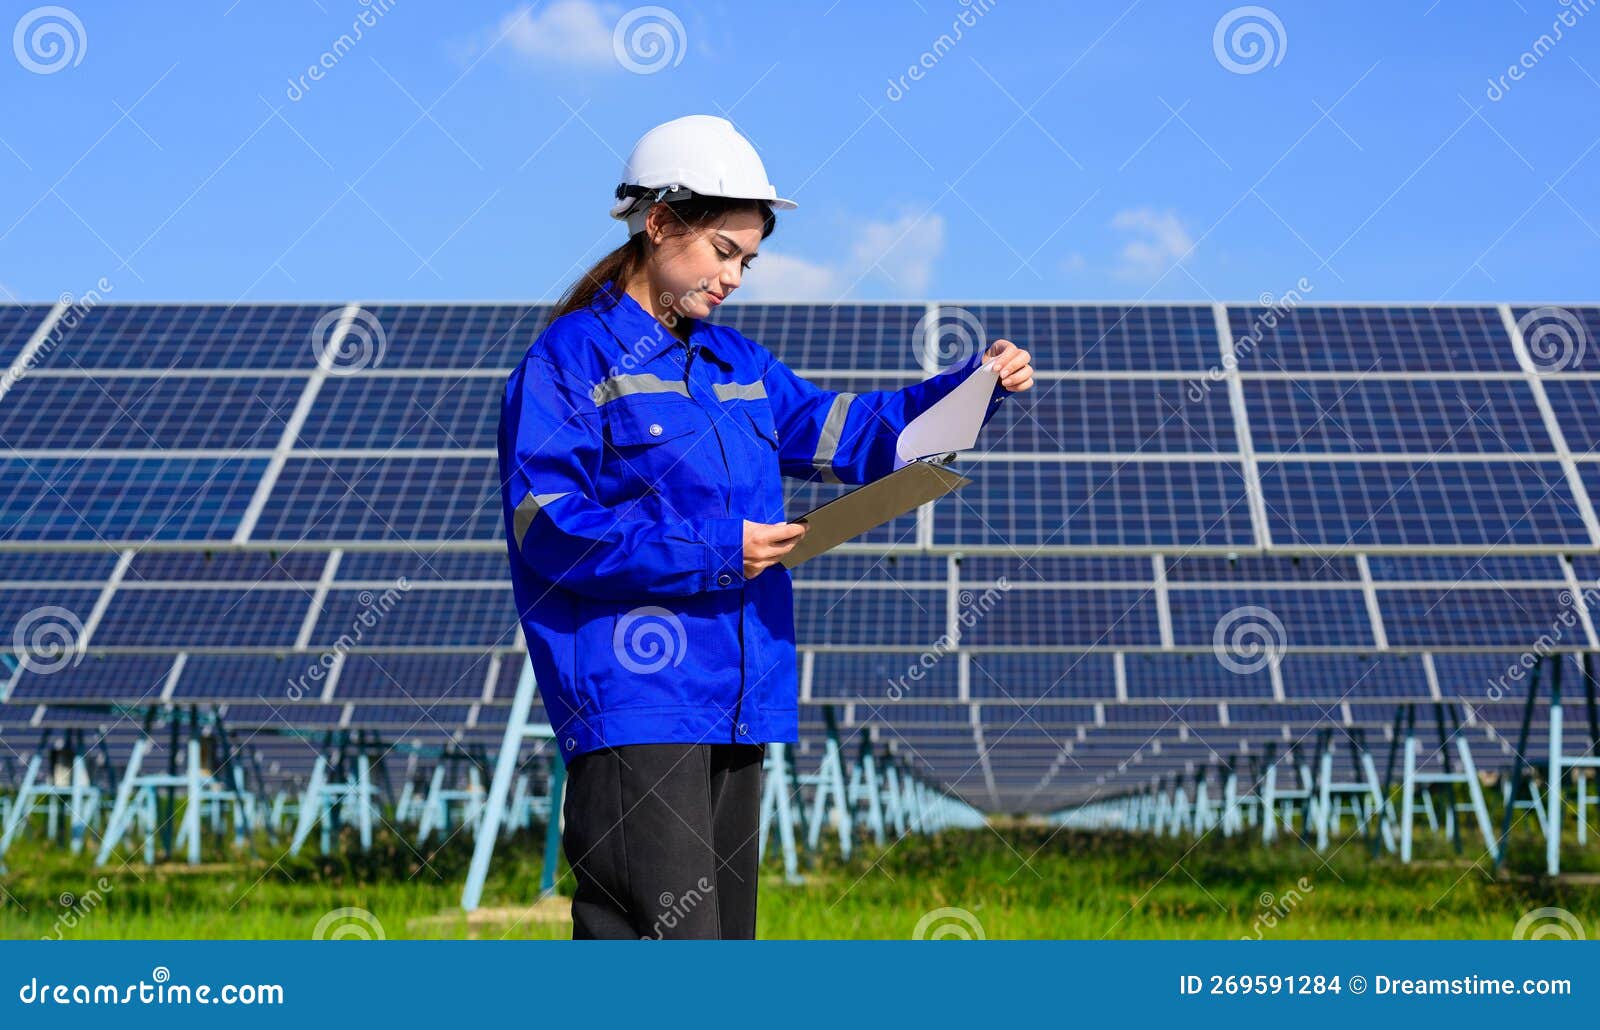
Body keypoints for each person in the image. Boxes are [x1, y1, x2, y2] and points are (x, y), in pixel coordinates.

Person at [498, 114, 1034, 939]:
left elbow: (854, 433)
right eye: (723, 252)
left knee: (720, 954)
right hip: (639, 697)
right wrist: (717, 549)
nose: (736, 277)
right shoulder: (572, 358)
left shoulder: (738, 365)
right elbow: (550, 526)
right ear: (660, 223)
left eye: (748, 260)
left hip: (738, 697)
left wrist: (973, 388)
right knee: (666, 952)